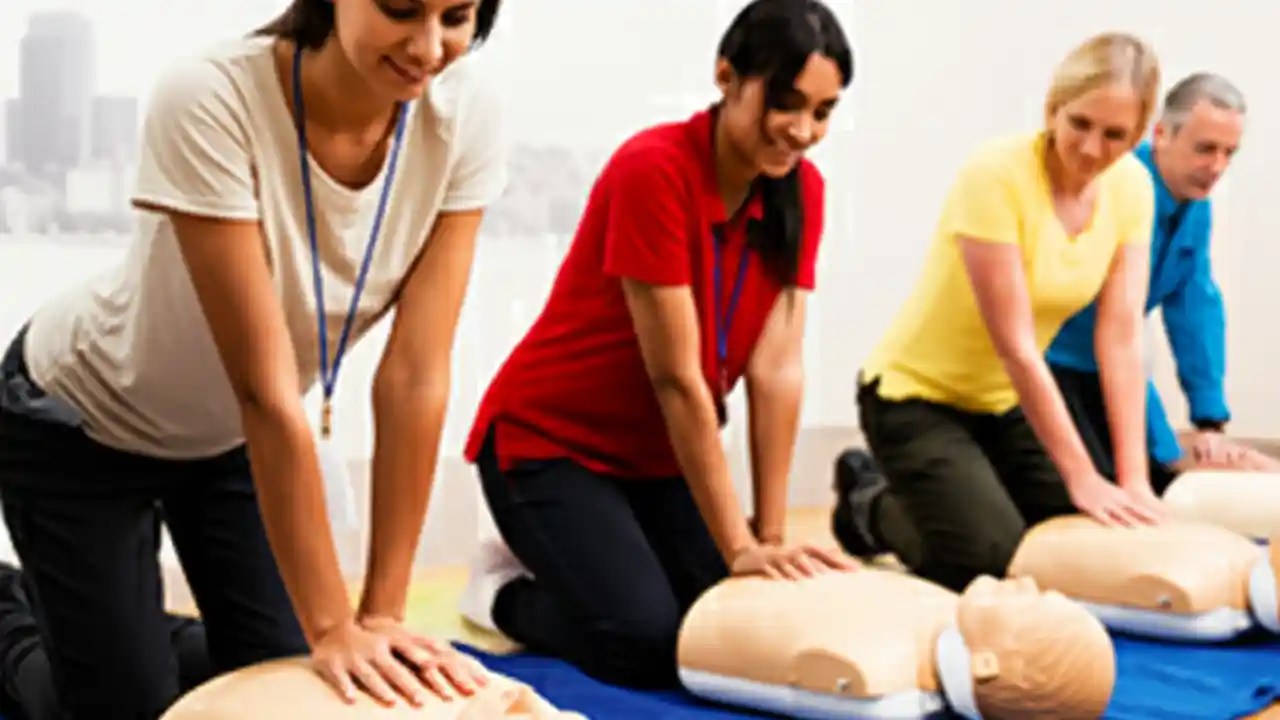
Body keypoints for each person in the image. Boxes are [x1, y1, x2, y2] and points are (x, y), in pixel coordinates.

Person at [0, 0, 506, 717]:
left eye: (456, 17)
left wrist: (381, 615)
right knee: (125, 706)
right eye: (401, 9)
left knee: (301, 685)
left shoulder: (464, 120)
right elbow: (265, 387)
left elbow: (414, 376)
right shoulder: (210, 96)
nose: (428, 47)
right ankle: (12, 615)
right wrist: (332, 625)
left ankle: (129, 629)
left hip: (226, 444)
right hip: (80, 422)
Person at [457, 0, 857, 691]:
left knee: (720, 622)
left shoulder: (800, 192)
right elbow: (676, 380)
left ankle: (598, 558)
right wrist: (734, 545)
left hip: (655, 458)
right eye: (785, 103)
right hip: (549, 444)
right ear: (726, 76)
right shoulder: (655, 169)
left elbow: (776, 370)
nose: (802, 131)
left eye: (822, 112)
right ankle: (501, 593)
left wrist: (767, 537)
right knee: (646, 644)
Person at [831, 32, 1166, 594]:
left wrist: (1133, 482)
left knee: (1081, 535)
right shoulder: (997, 174)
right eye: (1080, 123)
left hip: (1003, 403)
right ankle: (869, 504)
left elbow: (1122, 334)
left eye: (1115, 135)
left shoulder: (1132, 187)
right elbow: (1014, 344)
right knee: (992, 561)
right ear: (1052, 109)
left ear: (1137, 136)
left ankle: (959, 493)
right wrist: (1082, 475)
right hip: (916, 398)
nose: (1090, 148)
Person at [1047, 72, 1280, 484]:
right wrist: (1160, 445)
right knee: (1115, 485)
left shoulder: (1194, 205)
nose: (1217, 167)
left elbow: (1194, 305)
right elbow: (1107, 331)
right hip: (1055, 361)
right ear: (1161, 135)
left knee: (1163, 473)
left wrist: (1209, 415)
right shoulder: (1117, 187)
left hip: (1112, 363)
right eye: (1205, 149)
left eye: (1229, 153)